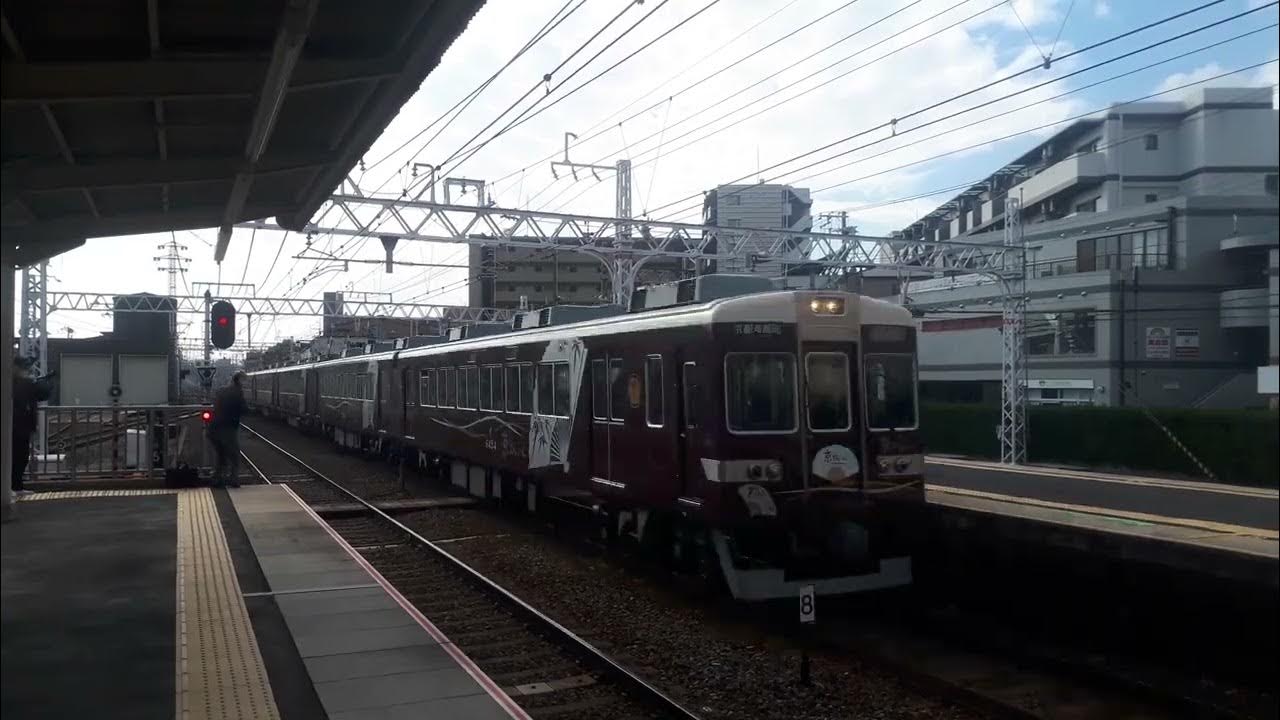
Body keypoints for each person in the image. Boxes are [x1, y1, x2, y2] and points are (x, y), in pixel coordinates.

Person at [11, 357, 53, 496]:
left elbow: (41, 394)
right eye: (24, 367)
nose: (26, 370)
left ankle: (16, 486)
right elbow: (42, 393)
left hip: (21, 425)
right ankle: (13, 487)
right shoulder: (18, 383)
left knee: (20, 457)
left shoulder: (23, 382)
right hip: (17, 426)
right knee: (17, 457)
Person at [209, 371, 246, 488]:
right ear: (239, 381)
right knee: (234, 456)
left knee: (221, 455)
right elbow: (244, 408)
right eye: (244, 380)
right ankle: (233, 479)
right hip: (227, 428)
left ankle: (217, 479)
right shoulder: (238, 392)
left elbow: (216, 405)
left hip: (213, 428)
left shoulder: (222, 390)